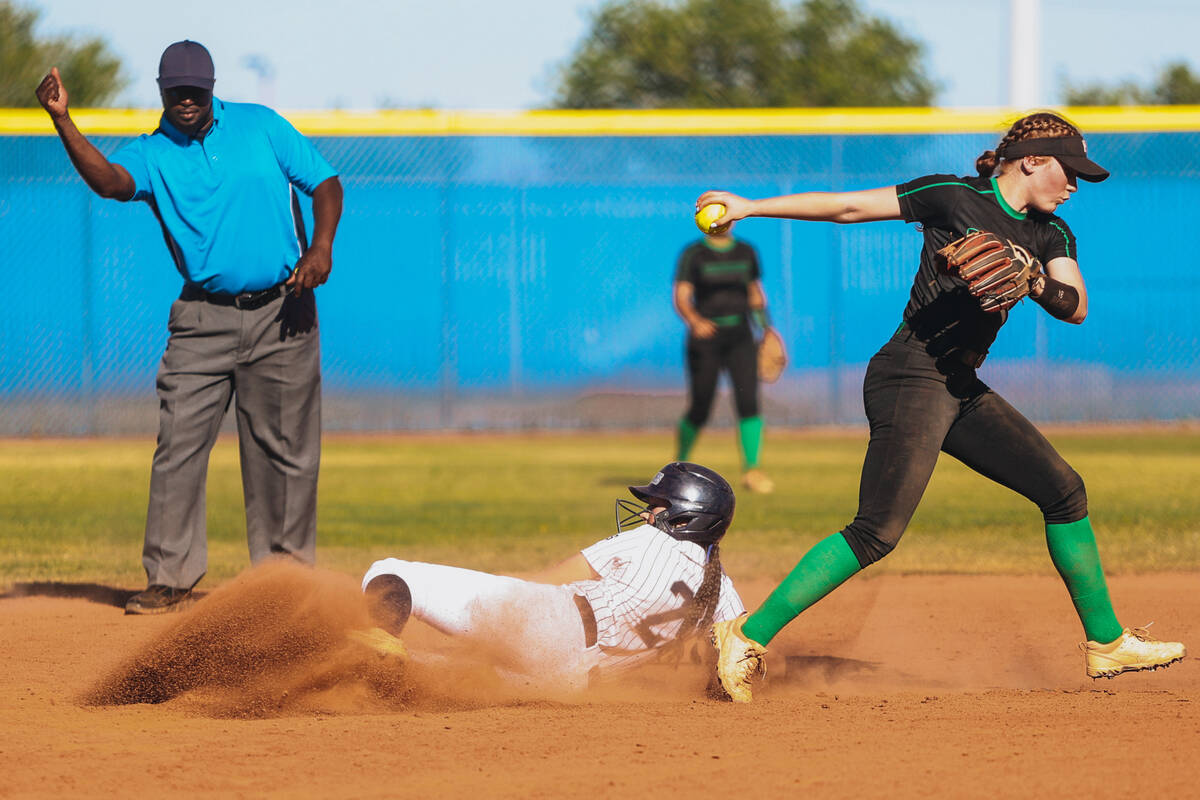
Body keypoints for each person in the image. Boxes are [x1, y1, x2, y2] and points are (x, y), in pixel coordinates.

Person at [697, 111, 1186, 702]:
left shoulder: (1050, 233)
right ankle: (745, 635)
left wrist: (1033, 279)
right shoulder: (953, 196)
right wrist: (751, 206)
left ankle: (1106, 643)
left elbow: (1076, 306)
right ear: (1033, 161)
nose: (1075, 185)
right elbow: (848, 207)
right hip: (910, 372)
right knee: (877, 531)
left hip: (959, 383)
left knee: (1064, 492)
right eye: (1070, 170)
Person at [36, 41, 344, 615]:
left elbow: (325, 183)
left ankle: (284, 586)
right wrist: (63, 121)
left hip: (284, 311)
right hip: (202, 320)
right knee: (178, 444)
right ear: (161, 90)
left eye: (195, 91)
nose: (186, 100)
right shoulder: (153, 153)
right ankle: (170, 579)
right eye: (176, 90)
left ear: (211, 88)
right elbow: (109, 181)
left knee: (286, 454)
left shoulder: (261, 126)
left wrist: (321, 247)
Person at [353, 462, 745, 693]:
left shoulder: (648, 540)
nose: (646, 514)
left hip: (551, 625)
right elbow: (735, 659)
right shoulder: (721, 591)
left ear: (684, 516)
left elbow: (551, 580)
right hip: (569, 686)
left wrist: (501, 598)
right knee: (445, 673)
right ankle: (383, 665)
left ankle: (378, 637)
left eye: (657, 506)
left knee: (392, 572)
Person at [673, 222, 776, 493]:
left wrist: (767, 329)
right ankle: (677, 467)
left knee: (748, 400)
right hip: (705, 336)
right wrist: (695, 320)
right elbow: (681, 296)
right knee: (701, 406)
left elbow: (755, 294)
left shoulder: (746, 251)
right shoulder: (694, 254)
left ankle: (752, 471)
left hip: (740, 334)